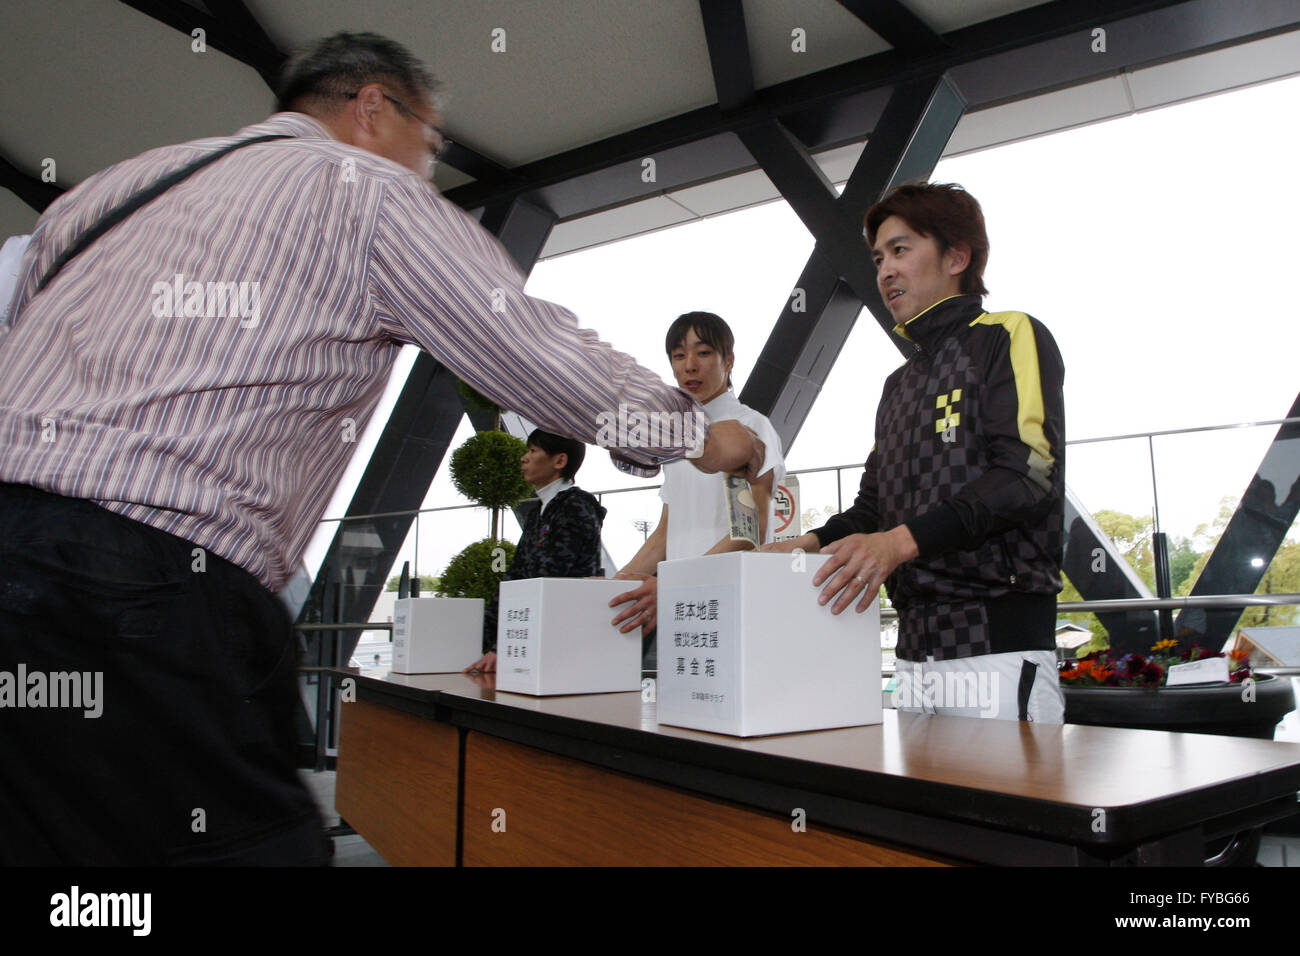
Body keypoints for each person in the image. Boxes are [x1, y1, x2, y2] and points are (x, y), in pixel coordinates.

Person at [0, 32, 763, 865]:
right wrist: (690, 432)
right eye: (431, 144)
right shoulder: (359, 190)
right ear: (372, 107)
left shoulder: (104, 195)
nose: (428, 170)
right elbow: (527, 345)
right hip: (145, 579)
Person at [764, 182, 1066, 723]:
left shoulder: (1007, 335)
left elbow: (1027, 474)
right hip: (911, 656)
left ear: (957, 256)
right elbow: (872, 513)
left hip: (996, 646)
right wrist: (789, 551)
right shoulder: (898, 384)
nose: (884, 271)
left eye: (901, 250)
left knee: (1000, 809)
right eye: (878, 257)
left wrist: (898, 544)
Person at [610, 312, 785, 638]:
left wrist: (674, 584)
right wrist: (614, 585)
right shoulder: (679, 439)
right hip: (682, 606)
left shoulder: (749, 429)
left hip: (733, 602)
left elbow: (749, 532)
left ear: (728, 360)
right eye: (678, 355)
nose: (689, 365)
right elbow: (665, 534)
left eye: (703, 353)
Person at [466, 430, 605, 674]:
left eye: (532, 451)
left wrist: (502, 648)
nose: (524, 458)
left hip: (563, 638)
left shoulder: (575, 505)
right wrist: (479, 641)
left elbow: (552, 580)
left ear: (559, 461)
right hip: (535, 634)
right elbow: (515, 576)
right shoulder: (539, 511)